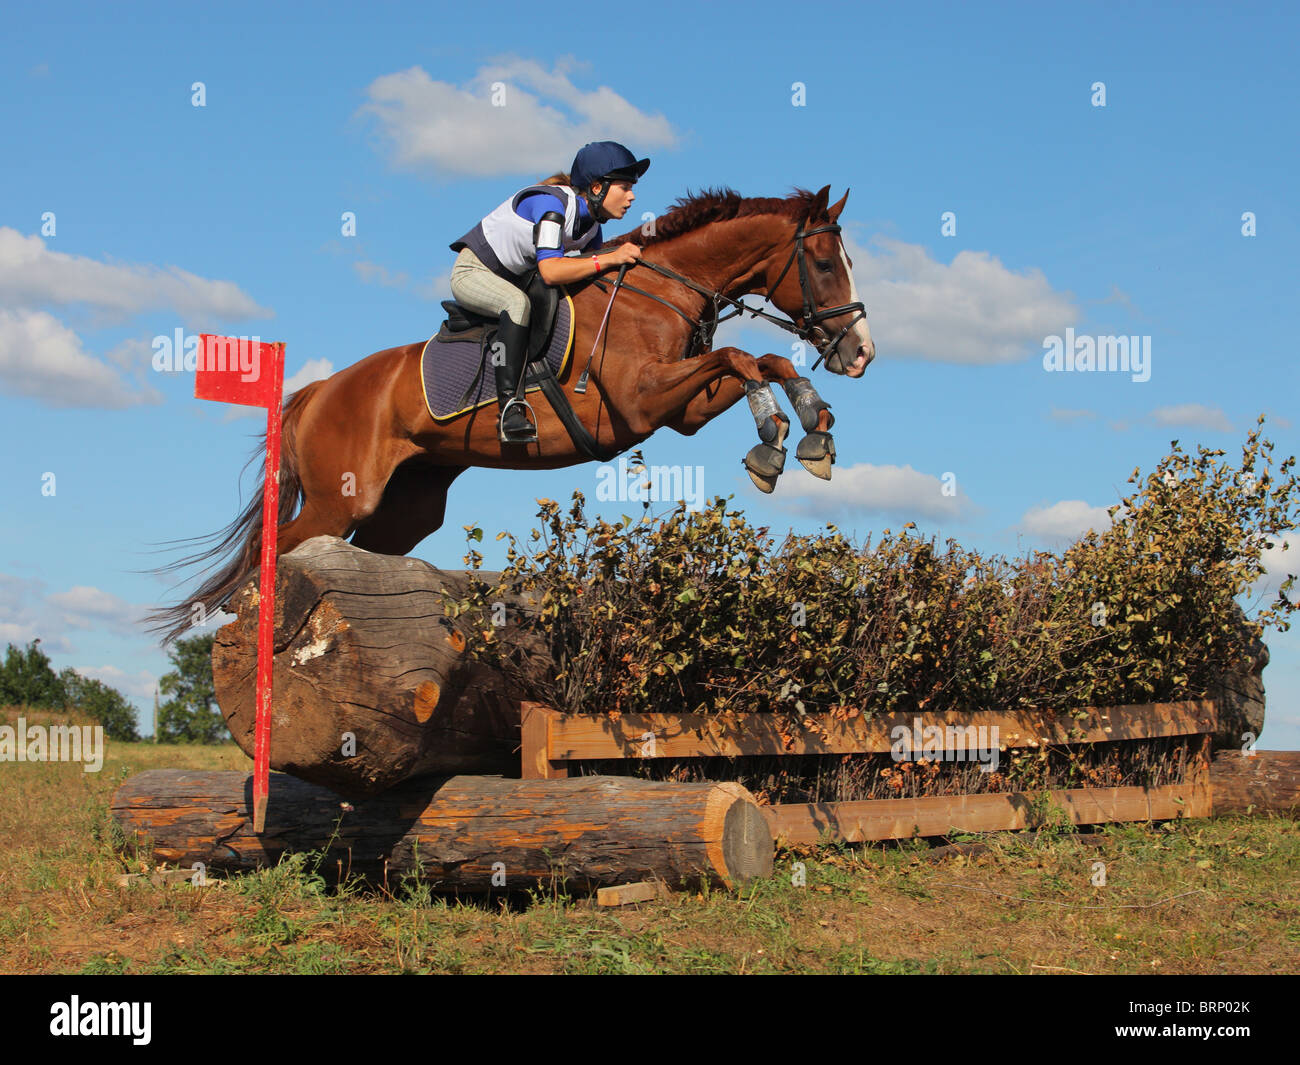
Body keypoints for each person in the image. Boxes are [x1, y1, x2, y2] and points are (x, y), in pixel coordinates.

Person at [448, 141, 649, 443]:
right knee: (516, 304)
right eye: (625, 187)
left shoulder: (592, 228)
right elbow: (552, 271)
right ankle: (509, 410)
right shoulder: (552, 207)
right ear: (597, 187)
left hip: (515, 277)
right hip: (473, 274)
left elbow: (589, 283)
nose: (632, 196)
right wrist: (611, 257)